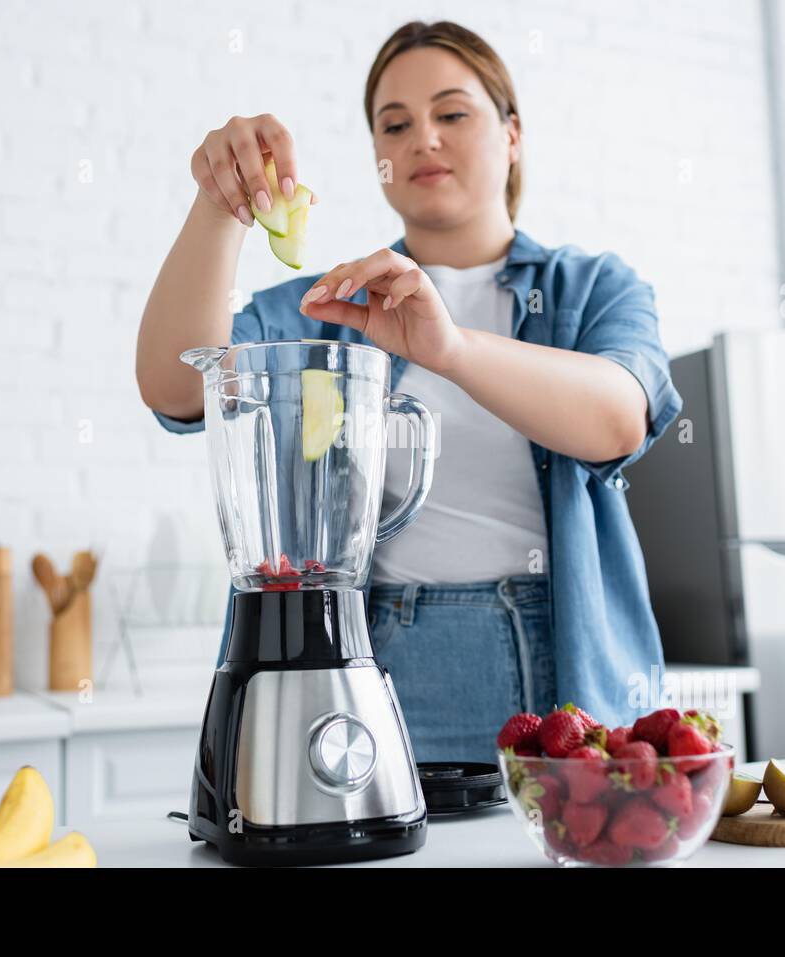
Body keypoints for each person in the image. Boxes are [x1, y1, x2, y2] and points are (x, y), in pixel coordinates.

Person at [136, 20, 682, 762]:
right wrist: (220, 201)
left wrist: (450, 349)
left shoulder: (595, 289)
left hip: (568, 671)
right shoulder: (327, 309)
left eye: (452, 113)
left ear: (512, 134)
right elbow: (174, 383)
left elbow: (619, 418)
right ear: (378, 156)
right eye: (395, 124)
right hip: (377, 660)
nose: (422, 138)